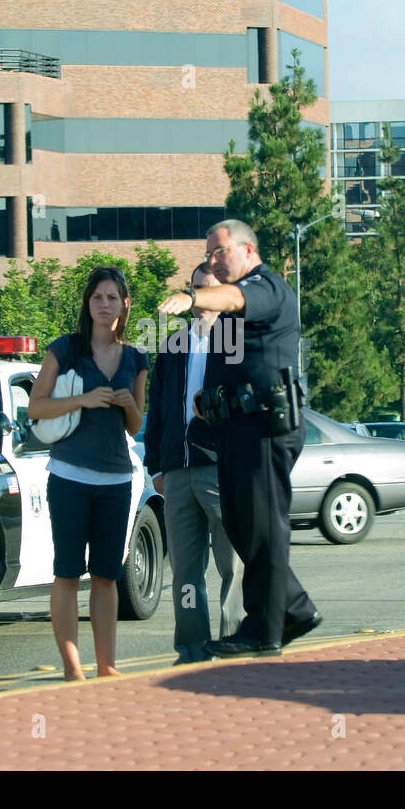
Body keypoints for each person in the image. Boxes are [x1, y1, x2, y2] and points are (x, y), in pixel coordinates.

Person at [157, 219, 320, 656]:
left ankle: (265, 630)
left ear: (248, 250)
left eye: (219, 252)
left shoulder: (264, 286)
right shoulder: (224, 323)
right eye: (208, 254)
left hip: (265, 426)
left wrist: (191, 295)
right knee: (247, 529)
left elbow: (231, 296)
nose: (212, 260)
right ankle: (295, 608)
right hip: (236, 431)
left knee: (262, 529)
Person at [29, 267, 147, 680]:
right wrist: (83, 398)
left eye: (112, 297)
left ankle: (106, 666)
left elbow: (135, 425)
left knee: (106, 576)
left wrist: (124, 404)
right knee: (66, 572)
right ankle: (71, 667)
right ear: (87, 303)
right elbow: (35, 408)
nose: (104, 304)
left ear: (125, 304)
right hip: (69, 477)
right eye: (97, 297)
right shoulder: (65, 349)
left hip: (117, 479)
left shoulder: (136, 358)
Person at [145, 263, 244, 664]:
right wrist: (156, 467)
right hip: (176, 472)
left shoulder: (237, 342)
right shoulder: (171, 347)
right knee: (185, 573)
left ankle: (236, 644)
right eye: (196, 289)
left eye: (210, 290)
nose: (201, 299)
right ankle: (192, 650)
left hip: (222, 468)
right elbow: (158, 412)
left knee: (233, 566)